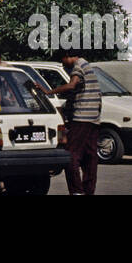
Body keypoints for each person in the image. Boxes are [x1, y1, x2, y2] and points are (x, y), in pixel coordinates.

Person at [39, 50, 101, 195]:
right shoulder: (87, 65)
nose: (62, 64)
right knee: (90, 158)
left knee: (70, 156)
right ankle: (88, 190)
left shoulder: (78, 66)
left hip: (81, 118)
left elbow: (72, 85)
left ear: (67, 56)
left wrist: (49, 92)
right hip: (94, 119)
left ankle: (77, 191)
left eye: (62, 60)